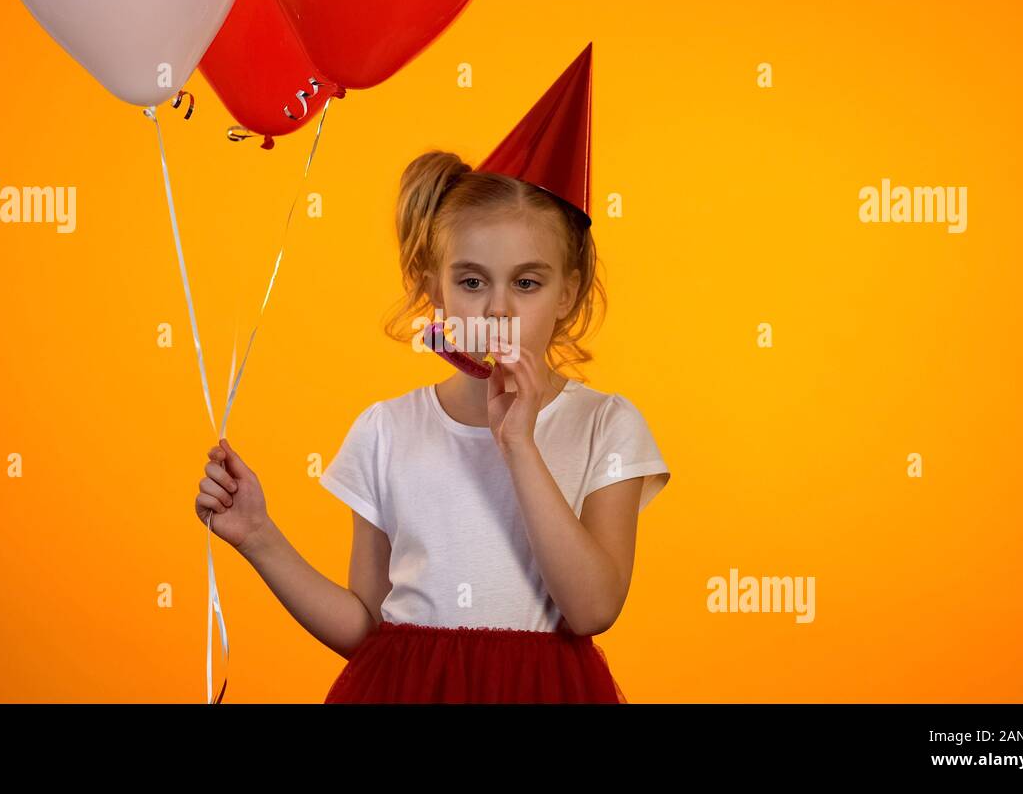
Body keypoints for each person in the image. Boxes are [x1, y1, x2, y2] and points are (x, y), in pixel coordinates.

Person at [195, 44, 670, 702]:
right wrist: (259, 536)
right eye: (471, 281)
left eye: (527, 282)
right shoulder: (387, 430)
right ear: (433, 290)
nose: (499, 307)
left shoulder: (607, 427)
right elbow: (367, 628)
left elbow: (591, 608)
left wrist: (520, 444)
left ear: (568, 292)